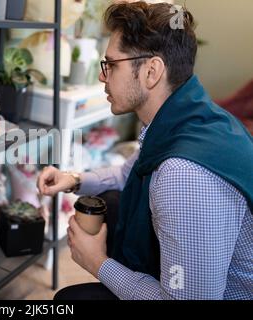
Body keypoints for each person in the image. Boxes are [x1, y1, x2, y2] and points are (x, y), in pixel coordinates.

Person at [37, 1, 253, 300]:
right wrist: (74, 179)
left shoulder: (182, 175)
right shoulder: (188, 117)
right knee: (111, 200)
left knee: (68, 301)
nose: (103, 76)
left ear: (151, 71)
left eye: (111, 65)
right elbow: (128, 173)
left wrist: (98, 263)